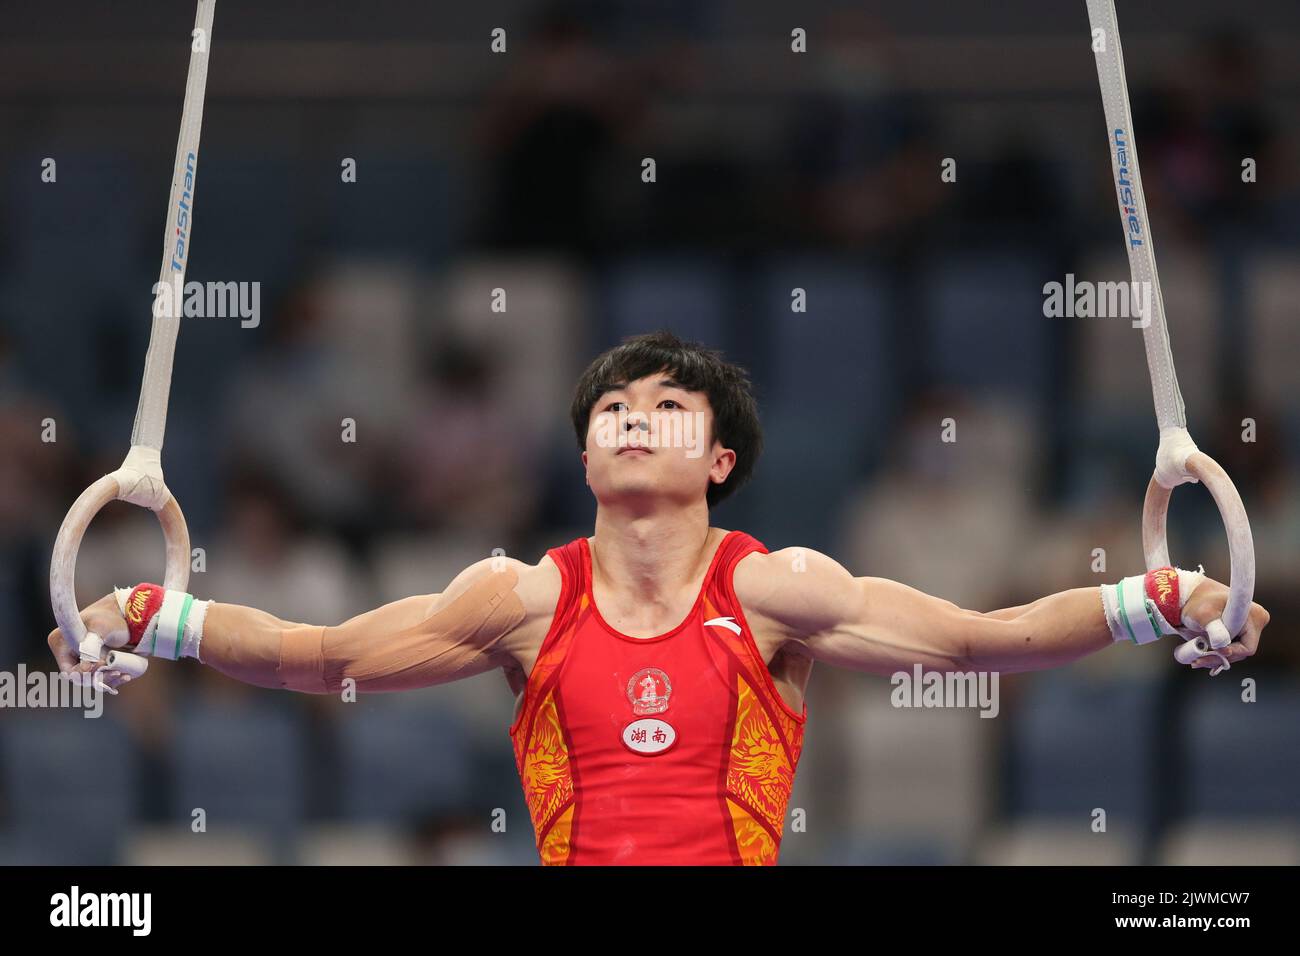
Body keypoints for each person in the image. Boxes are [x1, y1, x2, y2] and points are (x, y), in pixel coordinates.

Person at [48, 331, 1270, 865]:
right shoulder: (520, 600)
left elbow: (977, 637)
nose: (636, 417)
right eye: (613, 411)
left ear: (720, 460)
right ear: (584, 459)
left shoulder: (780, 588)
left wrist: (1153, 598)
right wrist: (161, 616)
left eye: (668, 407)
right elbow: (321, 654)